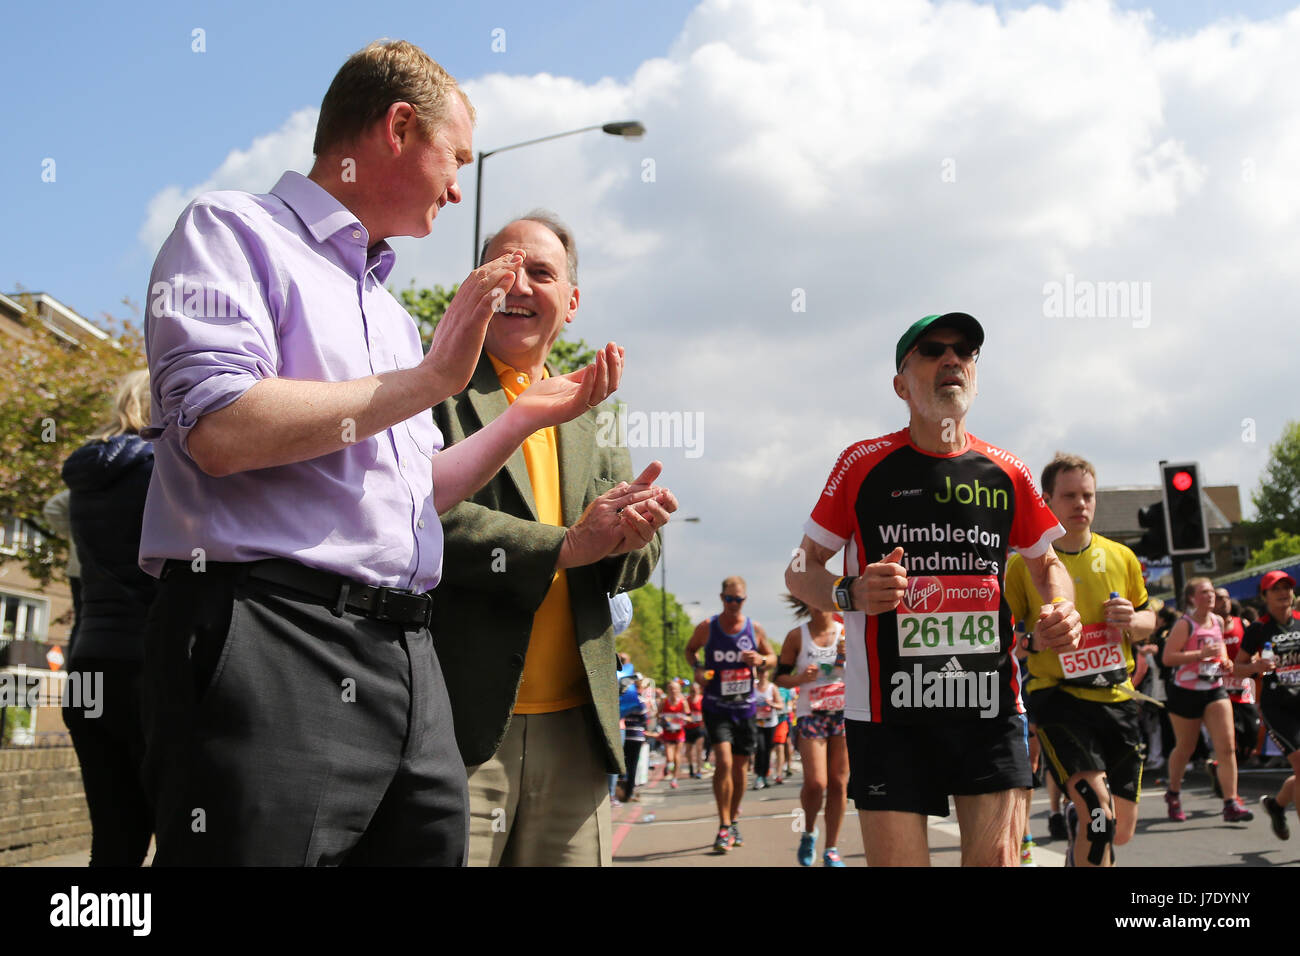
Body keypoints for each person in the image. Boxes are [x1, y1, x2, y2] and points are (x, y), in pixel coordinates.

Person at [138, 41, 629, 866]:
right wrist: (434, 377)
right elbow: (219, 429)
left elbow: (410, 495)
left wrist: (524, 418)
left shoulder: (390, 313)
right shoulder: (231, 229)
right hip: (272, 633)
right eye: (457, 158)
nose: (458, 187)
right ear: (399, 127)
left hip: (406, 657)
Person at [785, 312, 1081, 867]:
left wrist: (1061, 606)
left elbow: (1048, 566)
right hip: (889, 715)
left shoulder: (1007, 471)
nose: (952, 360)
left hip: (987, 709)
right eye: (933, 350)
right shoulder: (862, 464)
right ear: (901, 383)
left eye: (965, 352)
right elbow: (800, 571)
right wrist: (851, 591)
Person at [431, 212, 674, 867]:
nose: (520, 283)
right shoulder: (435, 389)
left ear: (570, 302)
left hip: (577, 731)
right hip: (461, 729)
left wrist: (630, 536)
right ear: (476, 284)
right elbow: (419, 520)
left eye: (540, 271)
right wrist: (565, 546)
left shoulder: (592, 415)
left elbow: (633, 556)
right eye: (504, 267)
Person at [1004, 453, 1155, 867]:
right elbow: (1003, 639)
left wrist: (1133, 619)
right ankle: (1085, 826)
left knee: (1118, 830)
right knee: (1100, 815)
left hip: (1118, 700)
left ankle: (1080, 842)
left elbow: (1149, 619)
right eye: (1069, 496)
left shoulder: (1122, 556)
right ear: (1047, 500)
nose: (1080, 504)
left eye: (1087, 495)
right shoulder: (1023, 566)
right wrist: (1036, 640)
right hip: (1059, 700)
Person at [60, 371, 157, 866]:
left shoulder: (85, 476)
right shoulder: (166, 466)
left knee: (114, 840)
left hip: (89, 663)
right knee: (185, 831)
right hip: (149, 663)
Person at [684, 576, 777, 853]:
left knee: (740, 768)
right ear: (721, 598)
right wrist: (698, 669)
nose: (734, 604)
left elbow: (772, 657)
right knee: (723, 763)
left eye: (739, 599)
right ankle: (723, 825)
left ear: (745, 600)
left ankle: (734, 818)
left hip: (745, 708)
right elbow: (690, 650)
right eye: (729, 599)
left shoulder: (754, 628)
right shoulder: (708, 627)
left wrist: (760, 661)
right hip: (716, 706)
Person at [1161, 578, 1253, 823]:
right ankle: (1173, 792)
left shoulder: (1217, 621)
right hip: (1185, 691)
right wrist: (1200, 654)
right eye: (1204, 592)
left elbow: (1220, 647)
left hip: (1214, 688)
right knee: (1186, 748)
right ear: (1192, 598)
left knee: (1227, 747)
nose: (1211, 596)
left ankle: (1231, 801)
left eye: (1212, 591)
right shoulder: (1185, 625)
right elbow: (1168, 658)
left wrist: (1225, 661)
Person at [776, 595, 849, 866]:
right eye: (814, 599)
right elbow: (779, 677)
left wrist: (848, 657)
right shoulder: (797, 636)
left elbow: (865, 669)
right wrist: (799, 678)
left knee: (839, 783)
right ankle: (808, 831)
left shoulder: (847, 633)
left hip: (843, 712)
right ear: (806, 602)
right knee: (817, 783)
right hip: (811, 713)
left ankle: (831, 848)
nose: (819, 605)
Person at [1240, 570, 1300, 839]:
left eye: (1287, 588)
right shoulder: (1258, 629)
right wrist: (1255, 665)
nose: (1283, 593)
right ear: (1264, 596)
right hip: (1277, 707)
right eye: (1276, 589)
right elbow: (1237, 669)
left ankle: (1276, 806)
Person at [1216, 588, 1260, 788]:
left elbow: (1256, 650)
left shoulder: (1243, 624)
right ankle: (1225, 774)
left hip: (1244, 685)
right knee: (1229, 734)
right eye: (1218, 598)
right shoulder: (1208, 627)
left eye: (1225, 597)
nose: (1223, 602)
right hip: (1220, 687)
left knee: (1251, 728)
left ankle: (1224, 768)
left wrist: (1254, 663)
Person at [43, 490, 82, 652]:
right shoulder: (91, 487)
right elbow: (52, 508)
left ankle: (78, 673)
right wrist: (74, 533)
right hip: (85, 568)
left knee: (82, 620)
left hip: (79, 567)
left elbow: (52, 508)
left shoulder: (87, 485)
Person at [752, 667, 784, 789]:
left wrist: (771, 704)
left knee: (767, 750)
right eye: (760, 672)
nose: (762, 674)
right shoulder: (753, 687)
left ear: (768, 673)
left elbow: (781, 705)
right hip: (757, 723)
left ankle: (764, 776)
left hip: (770, 723)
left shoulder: (772, 688)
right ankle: (759, 776)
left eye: (764, 672)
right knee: (760, 748)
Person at [684, 681, 705, 778]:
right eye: (692, 690)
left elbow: (705, 712)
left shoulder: (702, 699)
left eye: (695, 690)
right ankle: (691, 766)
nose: (693, 692)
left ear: (699, 690)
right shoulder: (686, 700)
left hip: (699, 727)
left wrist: (704, 723)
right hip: (688, 727)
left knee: (699, 750)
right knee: (688, 750)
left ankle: (699, 770)